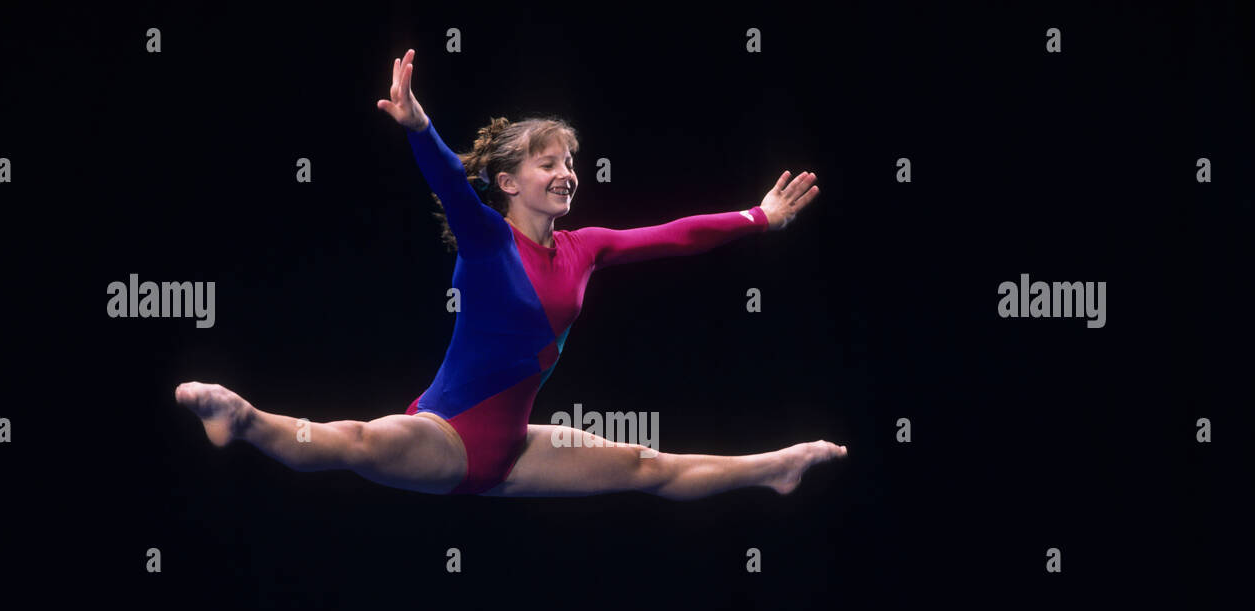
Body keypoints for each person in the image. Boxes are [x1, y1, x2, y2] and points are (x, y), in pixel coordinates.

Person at [176, 48, 846, 498]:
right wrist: (418, 126)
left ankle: (776, 468)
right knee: (351, 439)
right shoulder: (487, 241)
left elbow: (673, 236)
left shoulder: (586, 247)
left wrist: (759, 218)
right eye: (548, 164)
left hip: (518, 449)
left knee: (648, 466)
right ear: (508, 181)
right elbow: (448, 183)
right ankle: (243, 416)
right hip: (445, 436)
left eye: (570, 163)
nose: (566, 174)